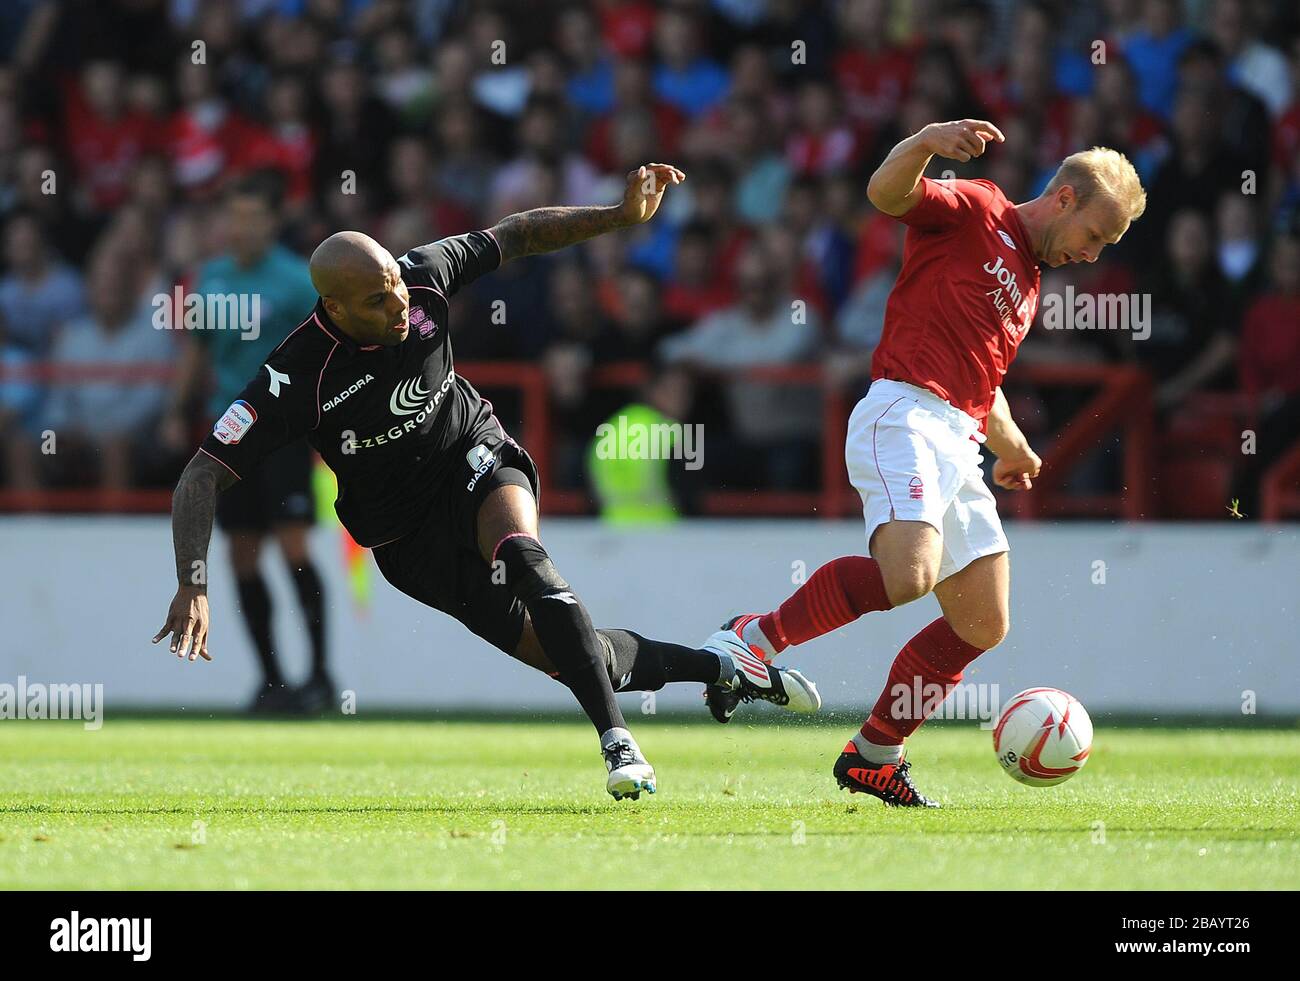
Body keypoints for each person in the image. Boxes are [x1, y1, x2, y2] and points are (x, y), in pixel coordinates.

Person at [152, 164, 821, 801]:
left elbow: (519, 232)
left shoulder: (423, 276)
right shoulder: (297, 375)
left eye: (396, 284)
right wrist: (193, 579)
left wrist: (618, 215)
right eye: (377, 299)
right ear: (334, 306)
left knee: (521, 554)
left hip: (473, 452)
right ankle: (725, 662)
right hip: (406, 537)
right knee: (582, 656)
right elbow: (202, 475)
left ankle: (618, 742)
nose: (399, 303)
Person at [709, 123, 1146, 806]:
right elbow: (886, 194)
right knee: (908, 575)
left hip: (959, 437)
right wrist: (926, 140)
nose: (1092, 255)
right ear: (1064, 198)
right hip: (904, 412)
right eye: (1096, 235)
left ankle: (875, 753)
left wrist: (1015, 449)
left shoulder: (1028, 284)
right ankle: (754, 638)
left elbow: (984, 381)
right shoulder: (977, 208)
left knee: (983, 621)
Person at [162, 173, 333, 714]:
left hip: (283, 432)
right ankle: (272, 681)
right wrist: (174, 409)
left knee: (294, 547)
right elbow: (197, 352)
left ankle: (322, 676)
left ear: (273, 221)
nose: (242, 227)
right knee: (241, 554)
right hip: (228, 432)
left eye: (253, 216)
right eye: (234, 216)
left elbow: (327, 351)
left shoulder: (297, 281)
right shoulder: (208, 279)